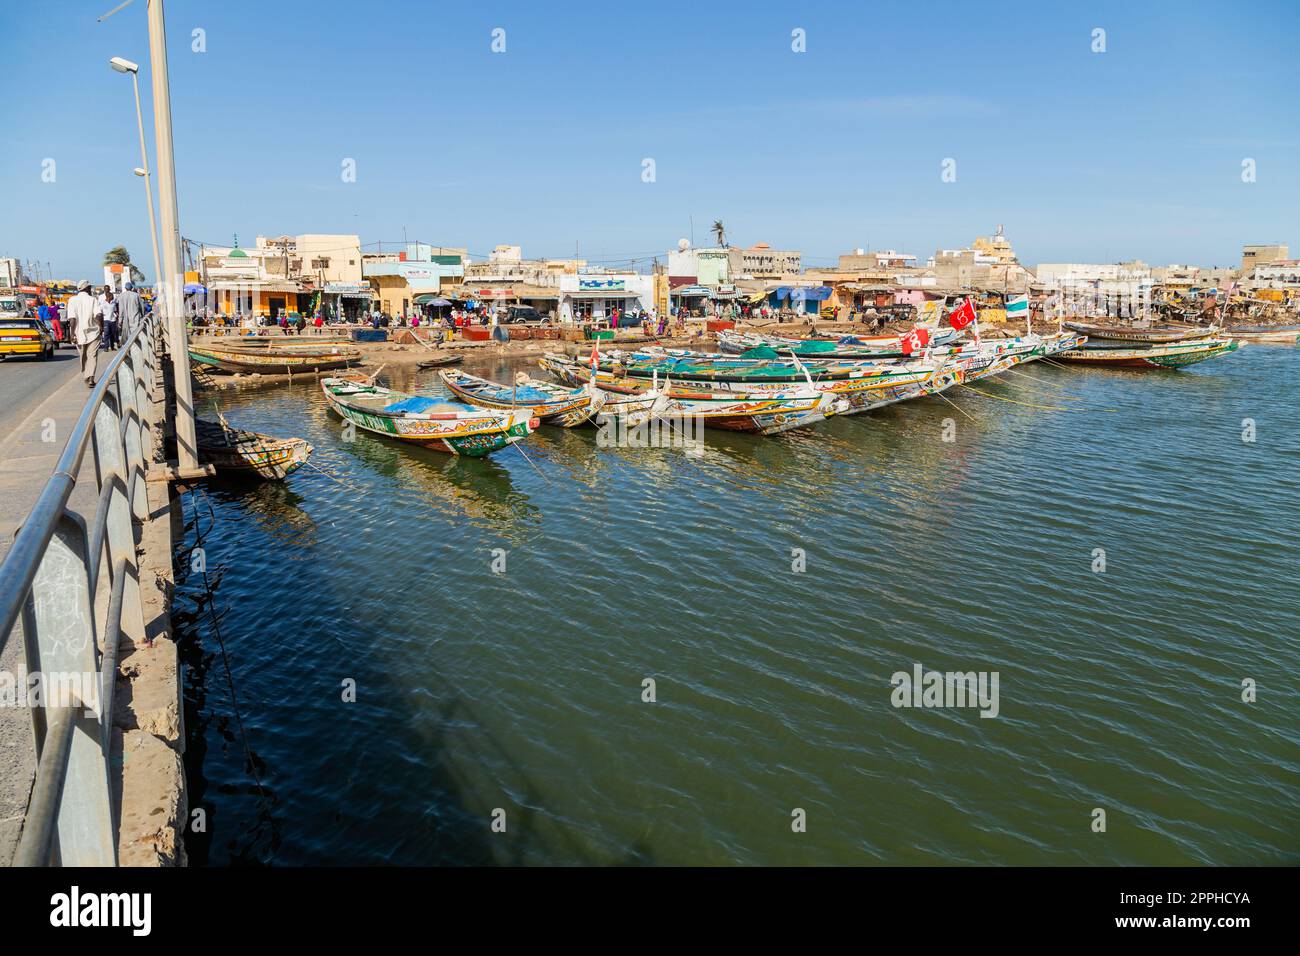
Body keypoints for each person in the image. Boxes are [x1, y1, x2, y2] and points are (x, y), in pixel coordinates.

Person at [67, 280, 100, 386]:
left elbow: (72, 319)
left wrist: (72, 333)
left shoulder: (72, 300)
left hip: (79, 333)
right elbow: (98, 315)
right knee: (92, 355)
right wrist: (101, 327)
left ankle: (89, 376)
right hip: (93, 332)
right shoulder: (93, 299)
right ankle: (89, 375)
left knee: (84, 355)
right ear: (87, 288)